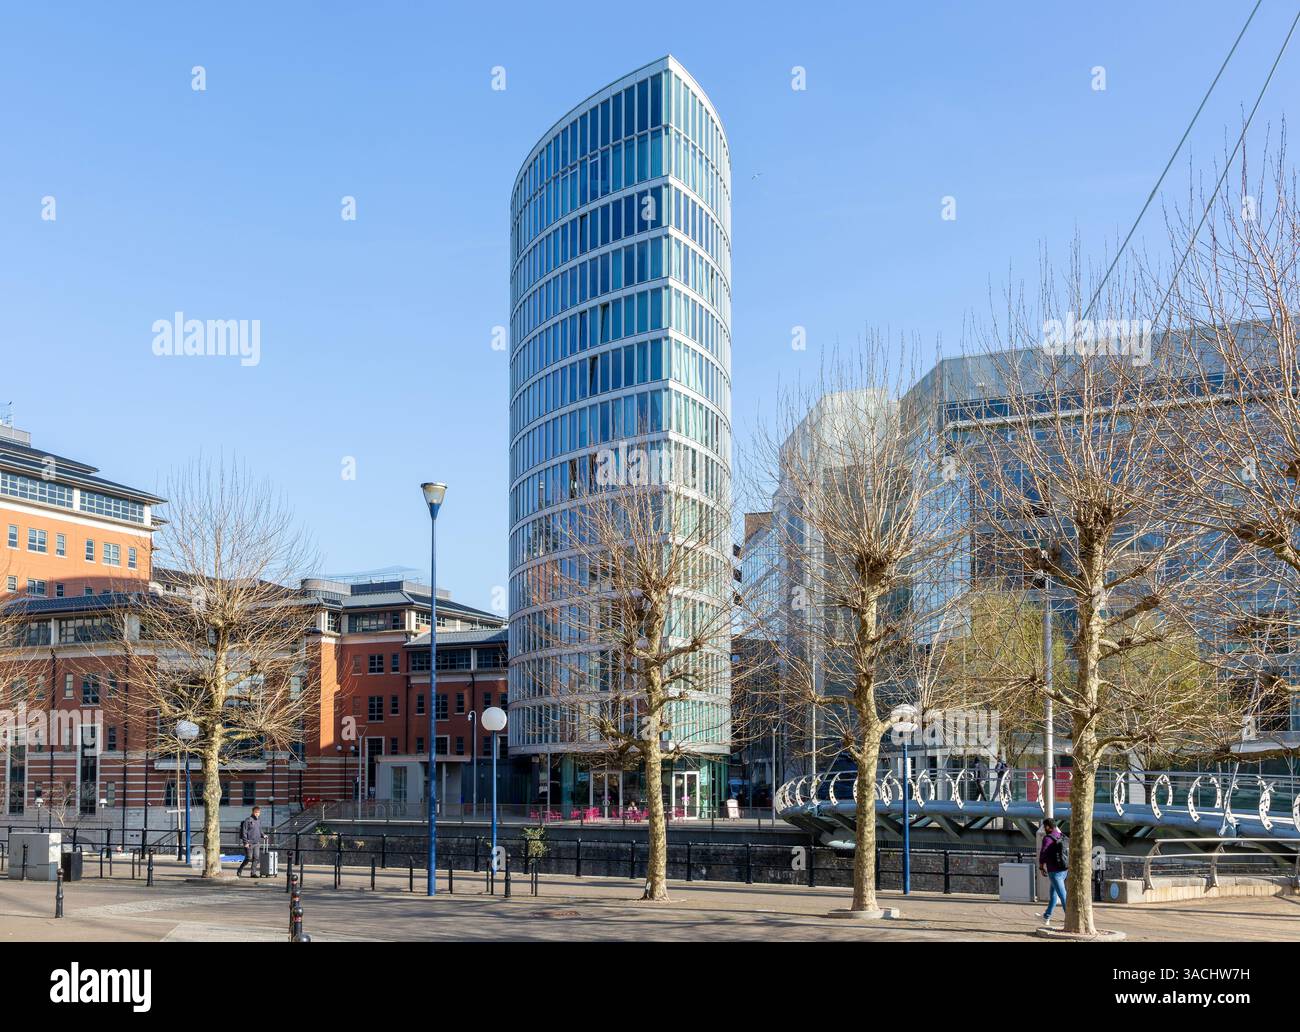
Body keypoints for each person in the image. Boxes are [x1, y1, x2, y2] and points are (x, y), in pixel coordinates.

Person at [1038, 817, 1067, 926]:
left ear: (1047, 827)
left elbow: (1043, 852)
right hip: (1064, 870)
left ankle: (1070, 918)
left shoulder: (1048, 838)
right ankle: (1046, 917)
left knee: (1063, 895)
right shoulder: (1060, 835)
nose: (1044, 829)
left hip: (1054, 871)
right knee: (1053, 895)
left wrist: (1041, 866)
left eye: (1045, 826)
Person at [237, 805, 264, 878]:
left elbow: (260, 830)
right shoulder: (248, 820)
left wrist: (263, 835)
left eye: (258, 812)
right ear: (252, 812)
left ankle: (253, 873)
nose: (257, 814)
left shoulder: (259, 820)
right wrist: (245, 842)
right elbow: (244, 832)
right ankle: (240, 869)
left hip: (257, 843)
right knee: (248, 858)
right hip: (249, 843)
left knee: (256, 858)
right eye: (256, 812)